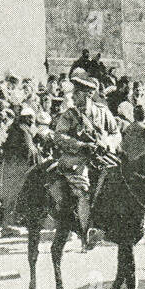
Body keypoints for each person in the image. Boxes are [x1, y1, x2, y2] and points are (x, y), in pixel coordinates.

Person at [49, 75, 120, 247]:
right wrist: (81, 145)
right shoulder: (69, 115)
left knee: (120, 178)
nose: (73, 96)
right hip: (78, 158)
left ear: (88, 94)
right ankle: (86, 232)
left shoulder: (103, 112)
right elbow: (59, 136)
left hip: (102, 155)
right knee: (83, 189)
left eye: (77, 93)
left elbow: (116, 133)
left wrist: (107, 144)